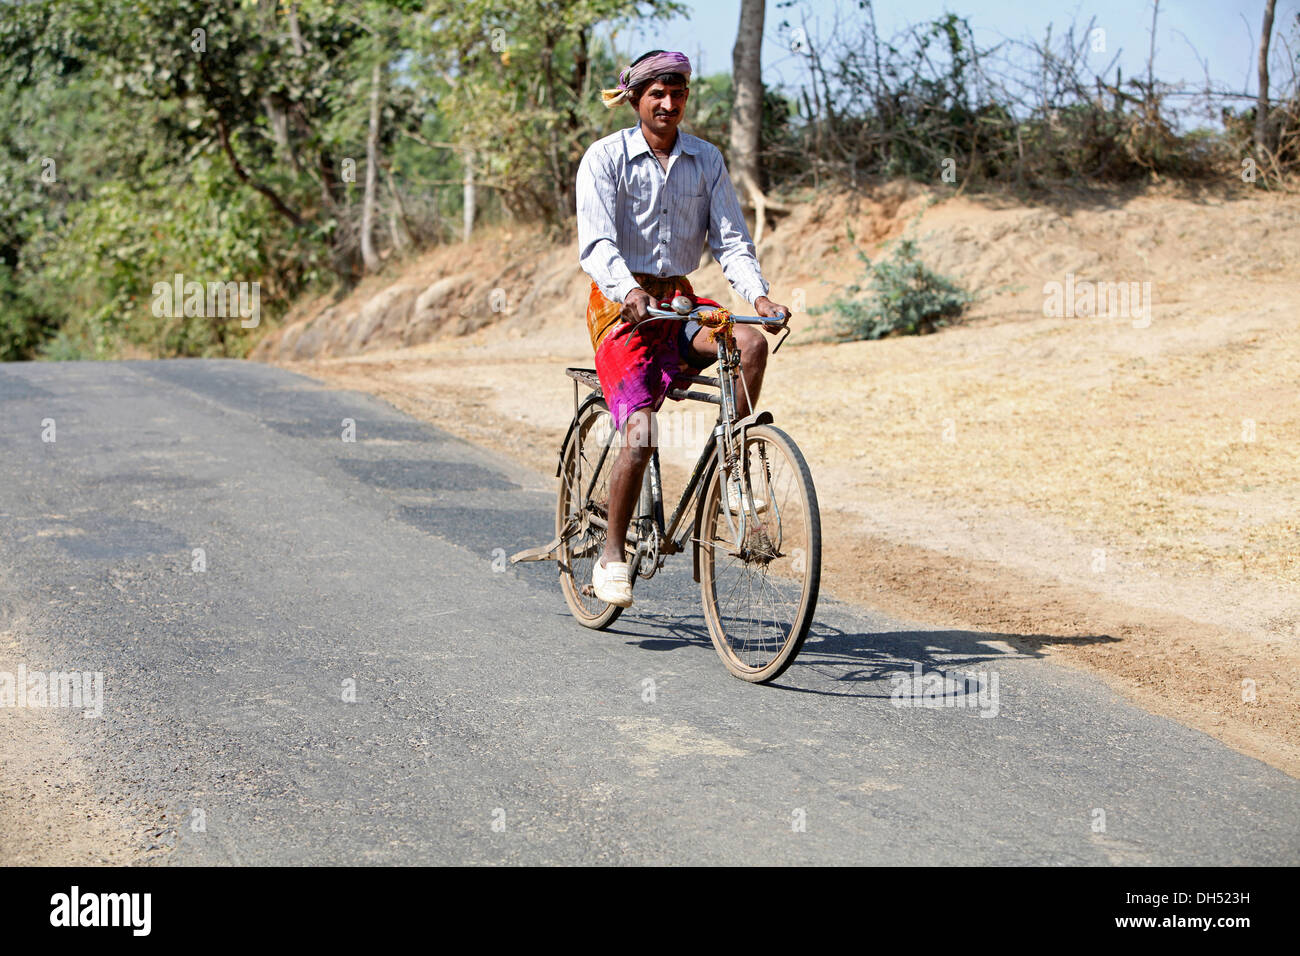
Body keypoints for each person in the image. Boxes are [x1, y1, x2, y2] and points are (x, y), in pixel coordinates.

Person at [575, 49, 791, 608]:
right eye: (656, 94)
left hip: (678, 301)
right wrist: (630, 291)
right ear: (635, 99)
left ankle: (735, 470)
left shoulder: (706, 159)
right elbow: (597, 244)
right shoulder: (604, 158)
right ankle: (612, 554)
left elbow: (730, 241)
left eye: (678, 93)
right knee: (642, 433)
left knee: (747, 341)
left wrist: (759, 295)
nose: (668, 103)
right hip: (620, 304)